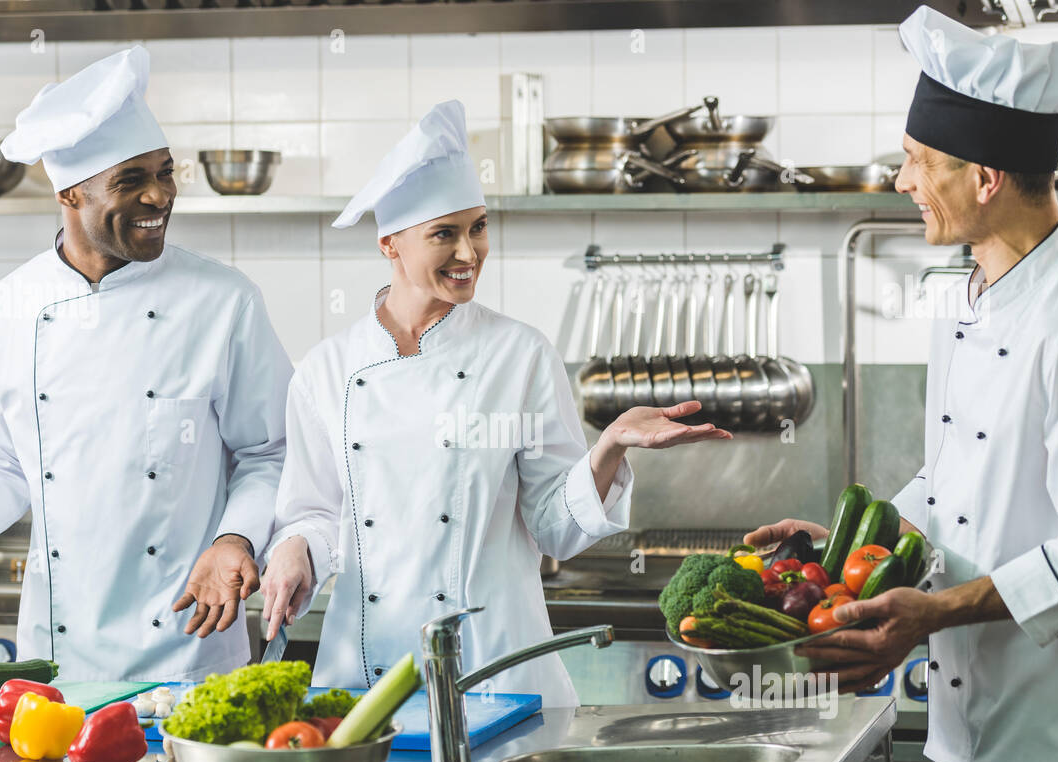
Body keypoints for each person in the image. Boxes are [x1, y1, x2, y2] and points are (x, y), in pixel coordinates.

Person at [747, 6, 1058, 762]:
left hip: (1056, 750)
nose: (901, 181)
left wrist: (940, 610)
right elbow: (955, 477)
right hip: (969, 736)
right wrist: (860, 541)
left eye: (919, 162)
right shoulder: (969, 296)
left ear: (987, 177)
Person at [260, 101, 731, 706]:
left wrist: (609, 445)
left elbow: (555, 529)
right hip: (362, 686)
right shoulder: (325, 370)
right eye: (444, 234)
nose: (469, 252)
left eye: (478, 227)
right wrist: (294, 548)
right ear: (390, 245)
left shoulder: (520, 355)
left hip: (495, 678)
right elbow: (314, 513)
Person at [0, 47, 293, 682]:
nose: (159, 195)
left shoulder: (223, 302)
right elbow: (2, 463)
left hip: (190, 648)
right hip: (57, 661)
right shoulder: (0, 314)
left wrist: (235, 539)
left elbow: (269, 453)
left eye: (165, 172)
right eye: (131, 180)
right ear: (68, 192)